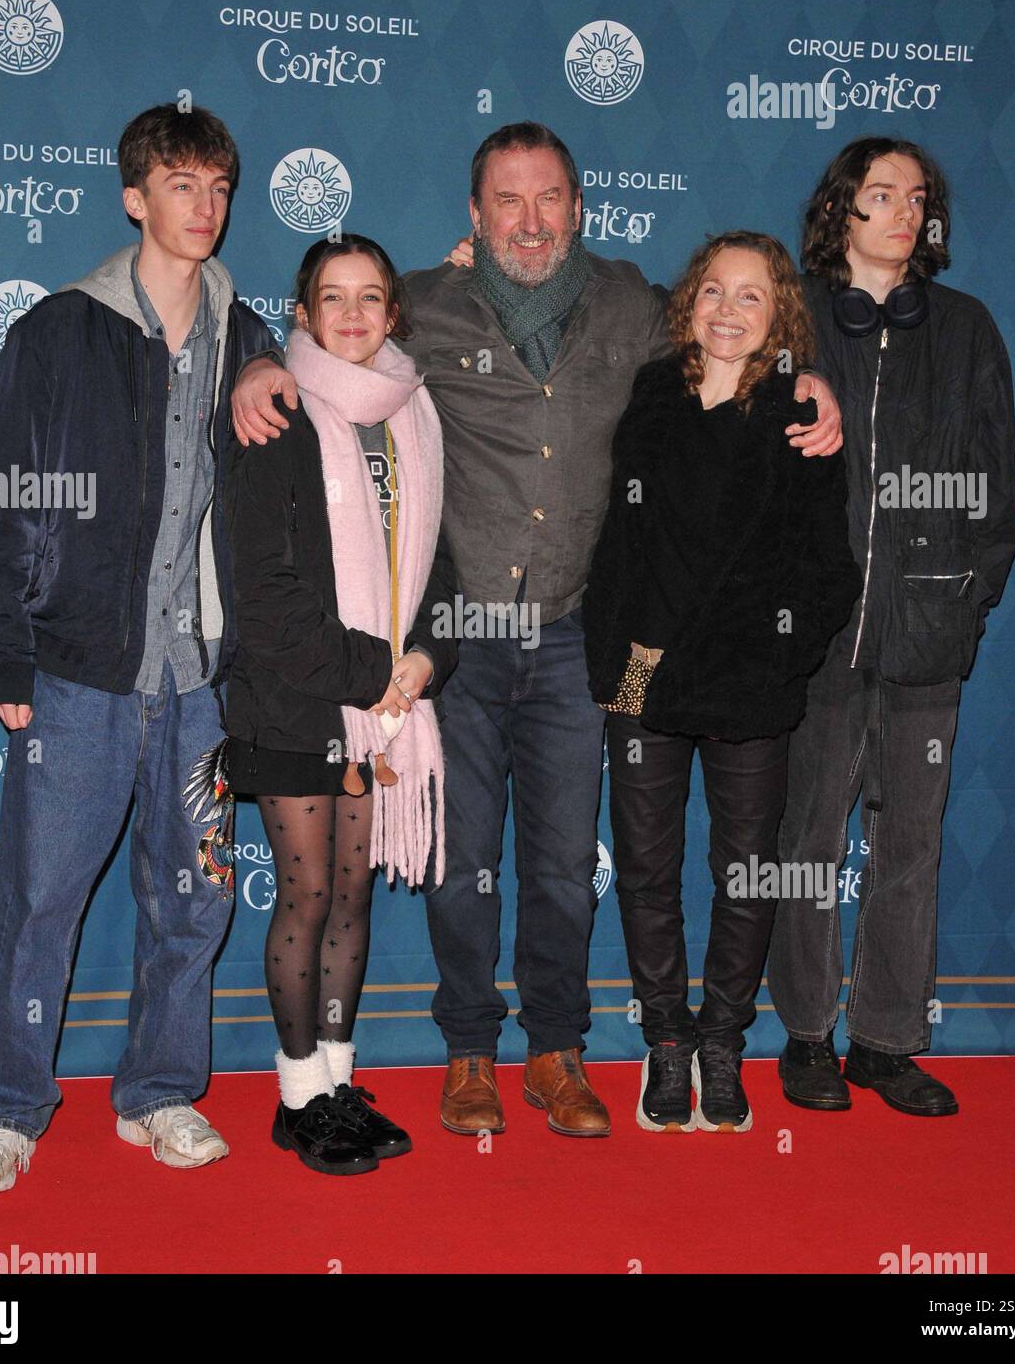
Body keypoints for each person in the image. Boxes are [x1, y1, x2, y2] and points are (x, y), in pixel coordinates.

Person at [230, 122, 844, 1138]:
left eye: (547, 197)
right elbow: (324, 336)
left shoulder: (635, 305)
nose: (528, 218)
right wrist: (257, 368)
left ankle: (557, 1050)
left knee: (564, 864)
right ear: (474, 214)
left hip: (575, 633)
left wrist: (805, 376)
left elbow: (730, 343)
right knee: (464, 860)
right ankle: (469, 1050)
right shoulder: (419, 303)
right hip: (458, 640)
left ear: (578, 209)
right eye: (506, 200)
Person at [0, 104, 274, 1192]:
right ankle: (6, 1110)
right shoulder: (58, 330)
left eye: (219, 187)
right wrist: (1, 653)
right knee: (40, 899)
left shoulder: (251, 336)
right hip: (79, 673)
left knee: (195, 896)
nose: (206, 208)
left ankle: (161, 1091)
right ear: (135, 197)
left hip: (201, 684)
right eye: (182, 185)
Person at [583, 233, 861, 1133]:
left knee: (746, 871)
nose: (728, 310)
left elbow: (829, 566)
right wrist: (612, 663)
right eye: (713, 290)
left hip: (749, 677)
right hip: (642, 673)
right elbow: (620, 545)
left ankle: (723, 1041)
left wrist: (782, 654)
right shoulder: (653, 393)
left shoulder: (798, 411)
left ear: (779, 312)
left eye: (751, 295)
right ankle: (666, 1040)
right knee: (645, 868)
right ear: (687, 302)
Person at [767, 138, 1015, 1117]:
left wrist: (965, 598)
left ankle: (886, 1038)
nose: (906, 212)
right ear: (842, 212)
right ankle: (806, 1037)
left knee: (910, 845)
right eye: (882, 194)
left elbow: (995, 491)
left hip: (928, 639)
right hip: (819, 641)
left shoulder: (966, 331)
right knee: (806, 843)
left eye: (918, 197)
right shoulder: (789, 328)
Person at [224, 236, 456, 1174]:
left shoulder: (417, 410)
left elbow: (444, 559)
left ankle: (338, 1082)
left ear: (393, 312)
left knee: (354, 895)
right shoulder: (274, 409)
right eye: (333, 297)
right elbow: (266, 592)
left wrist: (428, 657)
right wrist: (377, 674)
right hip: (297, 702)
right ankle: (295, 1098)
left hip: (390, 703)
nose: (353, 315)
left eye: (370, 297)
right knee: (309, 895)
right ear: (304, 311)